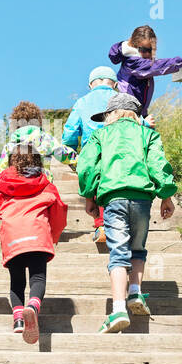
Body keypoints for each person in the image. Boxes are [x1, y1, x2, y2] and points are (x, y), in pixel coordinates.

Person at [76, 92, 177, 334]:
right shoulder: (148, 134)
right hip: (142, 199)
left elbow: (87, 166)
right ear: (136, 115)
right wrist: (166, 195)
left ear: (110, 115)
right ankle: (135, 293)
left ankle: (119, 309)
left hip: (113, 198)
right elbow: (158, 165)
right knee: (138, 248)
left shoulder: (101, 135)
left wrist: (89, 194)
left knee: (118, 253)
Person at [0, 145, 68, 344]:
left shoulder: (4, 187)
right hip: (38, 237)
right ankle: (32, 308)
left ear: (11, 163)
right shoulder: (46, 185)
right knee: (38, 279)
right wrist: (54, 236)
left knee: (16, 282)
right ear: (38, 162)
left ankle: (18, 321)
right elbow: (59, 214)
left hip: (13, 239)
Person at [61, 65, 117, 248]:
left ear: (90, 85)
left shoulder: (82, 102)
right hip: (118, 150)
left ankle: (101, 226)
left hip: (91, 152)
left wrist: (70, 150)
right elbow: (134, 120)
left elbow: (70, 132)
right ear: (115, 84)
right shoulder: (121, 99)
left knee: (96, 183)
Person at [109, 26, 182, 119]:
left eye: (152, 50)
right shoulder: (133, 63)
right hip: (126, 111)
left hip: (136, 111)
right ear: (135, 47)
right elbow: (157, 66)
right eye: (145, 50)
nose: (149, 54)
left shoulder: (137, 59)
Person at [0, 100, 72, 176]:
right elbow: (64, 154)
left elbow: (0, 172)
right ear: (38, 120)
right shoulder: (46, 139)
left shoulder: (10, 145)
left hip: (17, 186)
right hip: (42, 185)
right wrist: (78, 160)